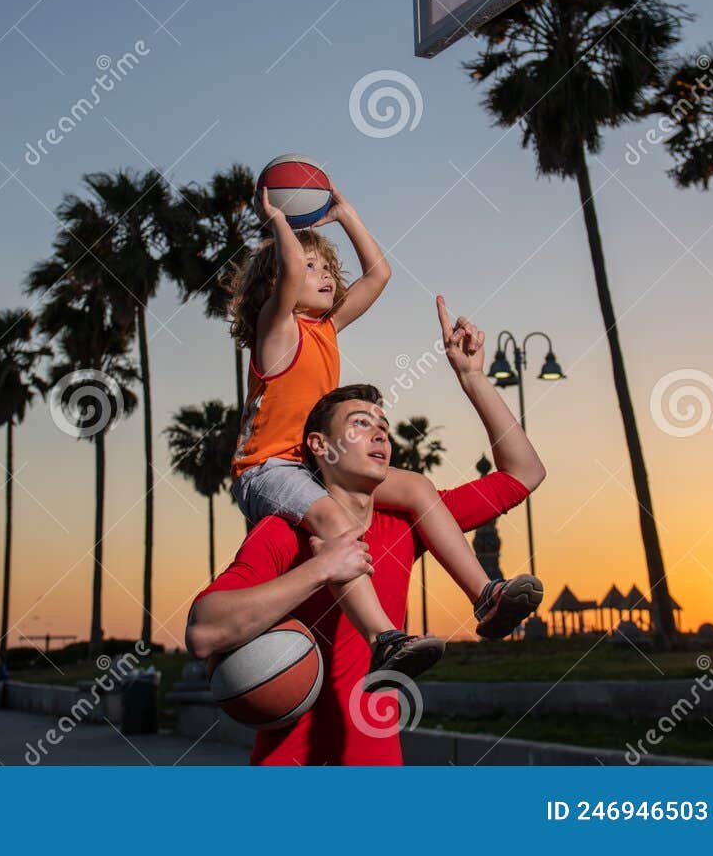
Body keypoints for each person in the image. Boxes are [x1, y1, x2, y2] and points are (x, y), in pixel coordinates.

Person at [187, 297, 548, 764]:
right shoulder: (284, 532)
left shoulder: (410, 520)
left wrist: (472, 377)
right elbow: (203, 631)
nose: (380, 434)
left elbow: (524, 474)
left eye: (383, 426)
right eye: (360, 424)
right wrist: (321, 569)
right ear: (318, 445)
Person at [225, 188, 541, 683]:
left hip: (316, 462)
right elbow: (286, 269)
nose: (325, 274)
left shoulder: (324, 329)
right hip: (269, 469)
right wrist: (278, 220)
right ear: (278, 284)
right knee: (331, 515)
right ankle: (383, 638)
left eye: (328, 268)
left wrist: (345, 214)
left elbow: (379, 276)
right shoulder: (276, 330)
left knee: (417, 487)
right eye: (313, 268)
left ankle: (486, 597)